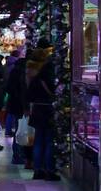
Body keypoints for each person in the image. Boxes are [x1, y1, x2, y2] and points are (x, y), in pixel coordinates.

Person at [26, 40, 60, 181]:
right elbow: (53, 89)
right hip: (48, 108)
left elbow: (29, 93)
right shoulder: (47, 72)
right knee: (49, 140)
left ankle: (37, 169)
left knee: (39, 140)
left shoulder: (29, 72)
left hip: (36, 108)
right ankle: (49, 170)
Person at [4, 49, 29, 165]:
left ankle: (17, 155)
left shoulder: (14, 69)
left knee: (19, 130)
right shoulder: (25, 72)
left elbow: (8, 87)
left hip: (14, 103)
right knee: (23, 130)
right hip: (22, 105)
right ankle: (21, 155)